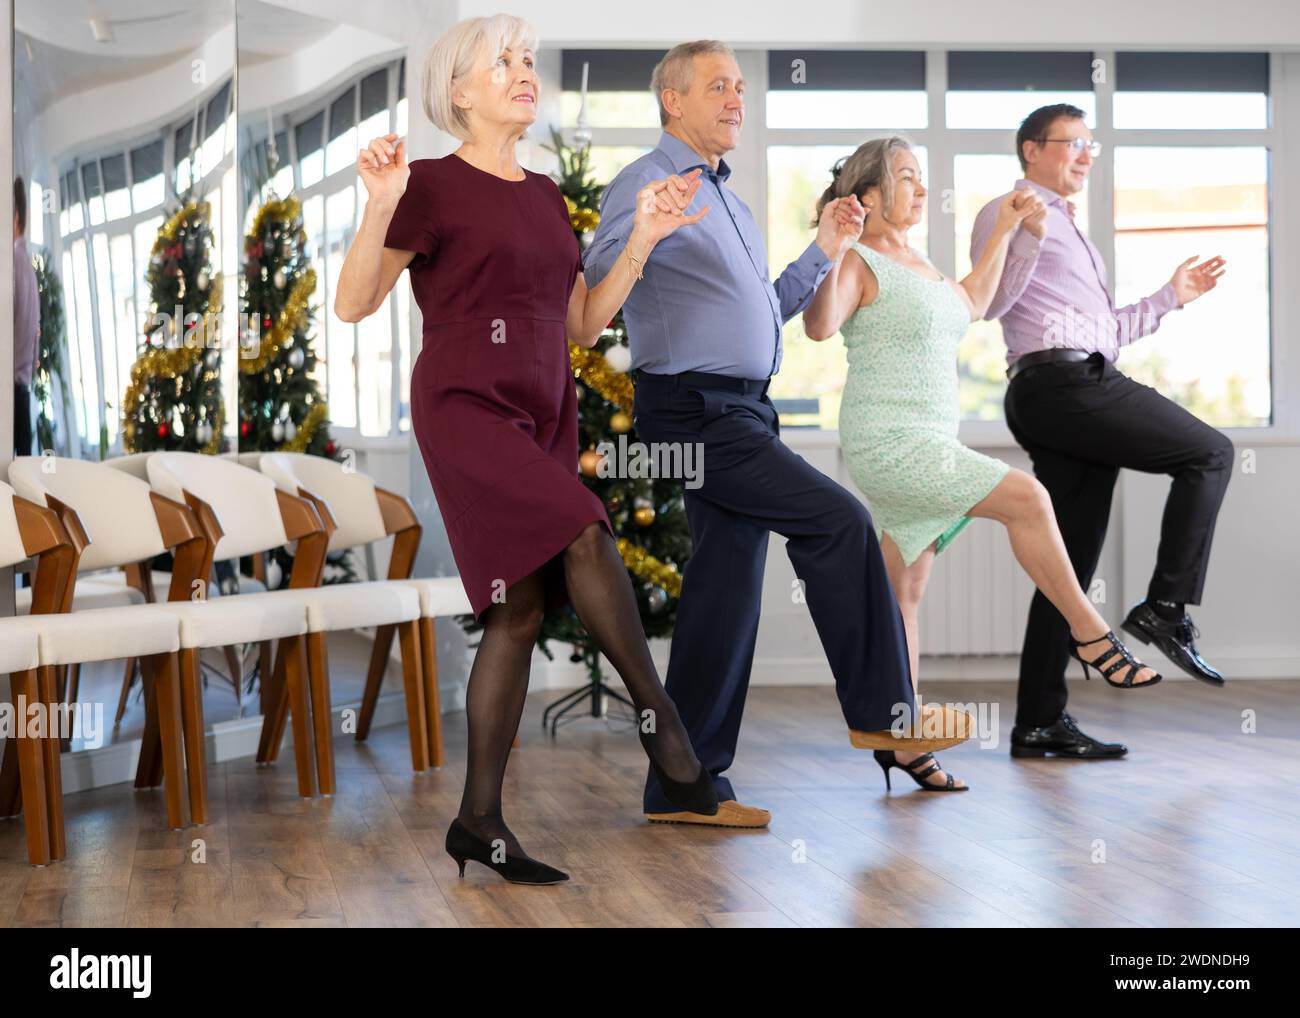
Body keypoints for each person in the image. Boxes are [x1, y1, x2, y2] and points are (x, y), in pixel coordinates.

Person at [334, 13, 721, 885]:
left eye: (527, 60)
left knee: (517, 612)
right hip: (467, 407)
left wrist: (645, 244)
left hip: (547, 410)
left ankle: (479, 822)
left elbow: (582, 326)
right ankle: (671, 738)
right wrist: (381, 204)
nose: (522, 72)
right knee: (584, 529)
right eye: (502, 62)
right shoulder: (427, 184)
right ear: (459, 93)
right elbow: (355, 303)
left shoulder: (545, 193)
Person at [585, 41, 972, 828]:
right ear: (673, 101)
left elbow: (765, 310)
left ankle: (684, 787)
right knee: (839, 522)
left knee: (722, 595)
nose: (735, 99)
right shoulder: (645, 184)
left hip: (740, 409)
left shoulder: (729, 198)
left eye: (740, 87)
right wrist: (643, 239)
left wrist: (825, 248)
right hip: (694, 412)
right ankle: (887, 717)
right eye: (717, 86)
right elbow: (592, 293)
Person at [803, 138, 1162, 791]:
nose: (919, 189)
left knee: (904, 591)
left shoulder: (919, 261)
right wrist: (829, 247)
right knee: (1027, 497)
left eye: (921, 176)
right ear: (871, 195)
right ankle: (1091, 634)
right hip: (893, 441)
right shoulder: (857, 258)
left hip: (929, 437)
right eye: (906, 178)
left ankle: (902, 739)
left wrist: (1002, 230)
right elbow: (820, 327)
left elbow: (971, 302)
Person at [971, 103, 1231, 760]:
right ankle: (1165, 608)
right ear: (1032, 150)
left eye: (1091, 144)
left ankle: (1038, 723)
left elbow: (1105, 335)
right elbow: (989, 303)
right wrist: (1020, 233)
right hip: (1059, 388)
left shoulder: (1068, 226)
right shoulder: (1010, 212)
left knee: (1067, 569)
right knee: (1211, 452)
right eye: (1073, 143)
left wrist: (1170, 297)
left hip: (1073, 383)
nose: (1086, 154)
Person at [13, 176, 40, 458]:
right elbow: (35, 337)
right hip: (22, 392)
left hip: (8, 394)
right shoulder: (29, 269)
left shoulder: (9, 264)